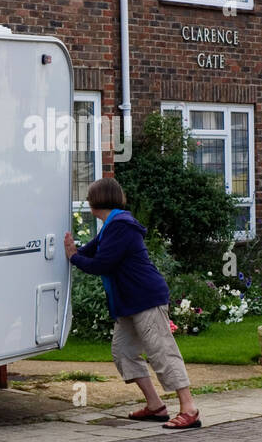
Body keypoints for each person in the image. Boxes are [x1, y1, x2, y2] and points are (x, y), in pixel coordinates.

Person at [64, 178, 200, 429]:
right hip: (128, 302)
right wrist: (73, 251)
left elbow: (102, 264)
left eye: (89, 198)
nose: (87, 203)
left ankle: (189, 409)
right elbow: (91, 251)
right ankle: (156, 406)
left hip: (145, 298)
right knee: (123, 352)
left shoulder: (121, 226)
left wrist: (73, 257)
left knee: (161, 351)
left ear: (97, 202)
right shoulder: (111, 226)